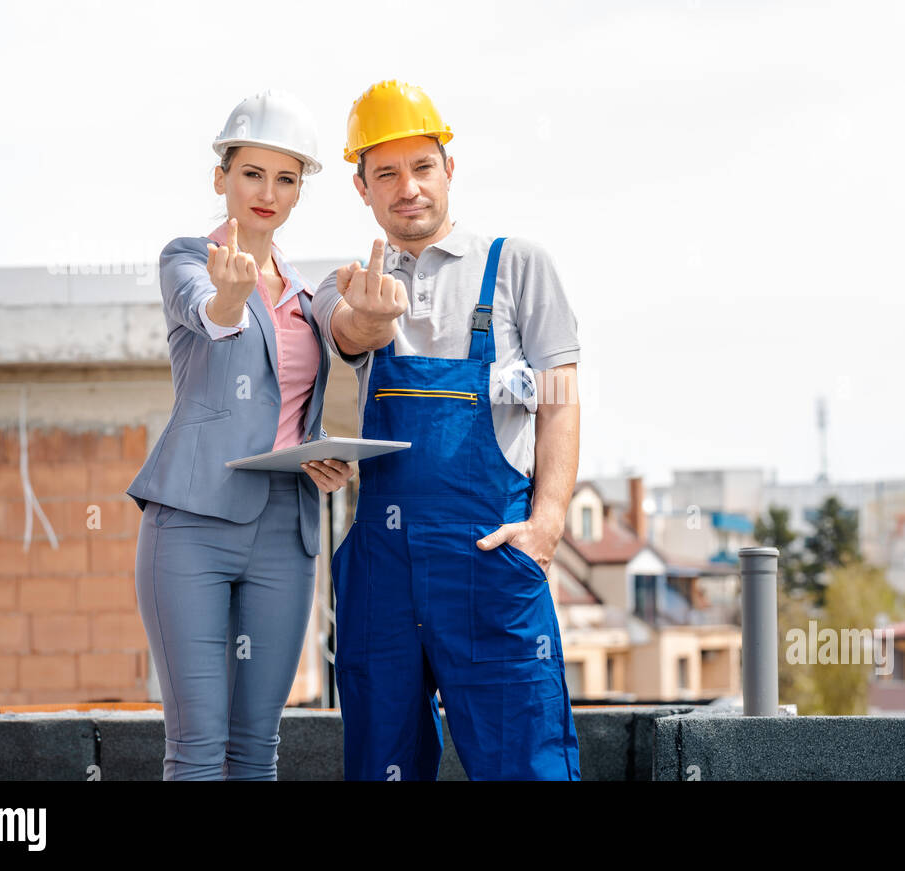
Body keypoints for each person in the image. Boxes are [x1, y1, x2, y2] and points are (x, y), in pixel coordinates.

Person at [313, 80, 582, 780]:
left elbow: (561, 400)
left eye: (422, 166)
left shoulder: (519, 267)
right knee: (383, 765)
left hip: (491, 558)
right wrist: (370, 317)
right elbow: (348, 332)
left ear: (449, 169)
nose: (408, 187)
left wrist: (547, 522)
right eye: (386, 173)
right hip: (382, 573)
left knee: (526, 765)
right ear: (361, 188)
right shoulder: (344, 283)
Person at [126, 89, 354, 780]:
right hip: (192, 524)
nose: (267, 192)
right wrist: (232, 293)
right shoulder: (188, 259)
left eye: (286, 178)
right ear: (221, 177)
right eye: (252, 173)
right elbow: (210, 314)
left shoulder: (310, 297)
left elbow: (302, 407)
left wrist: (320, 457)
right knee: (196, 747)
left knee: (257, 749)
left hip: (285, 530)